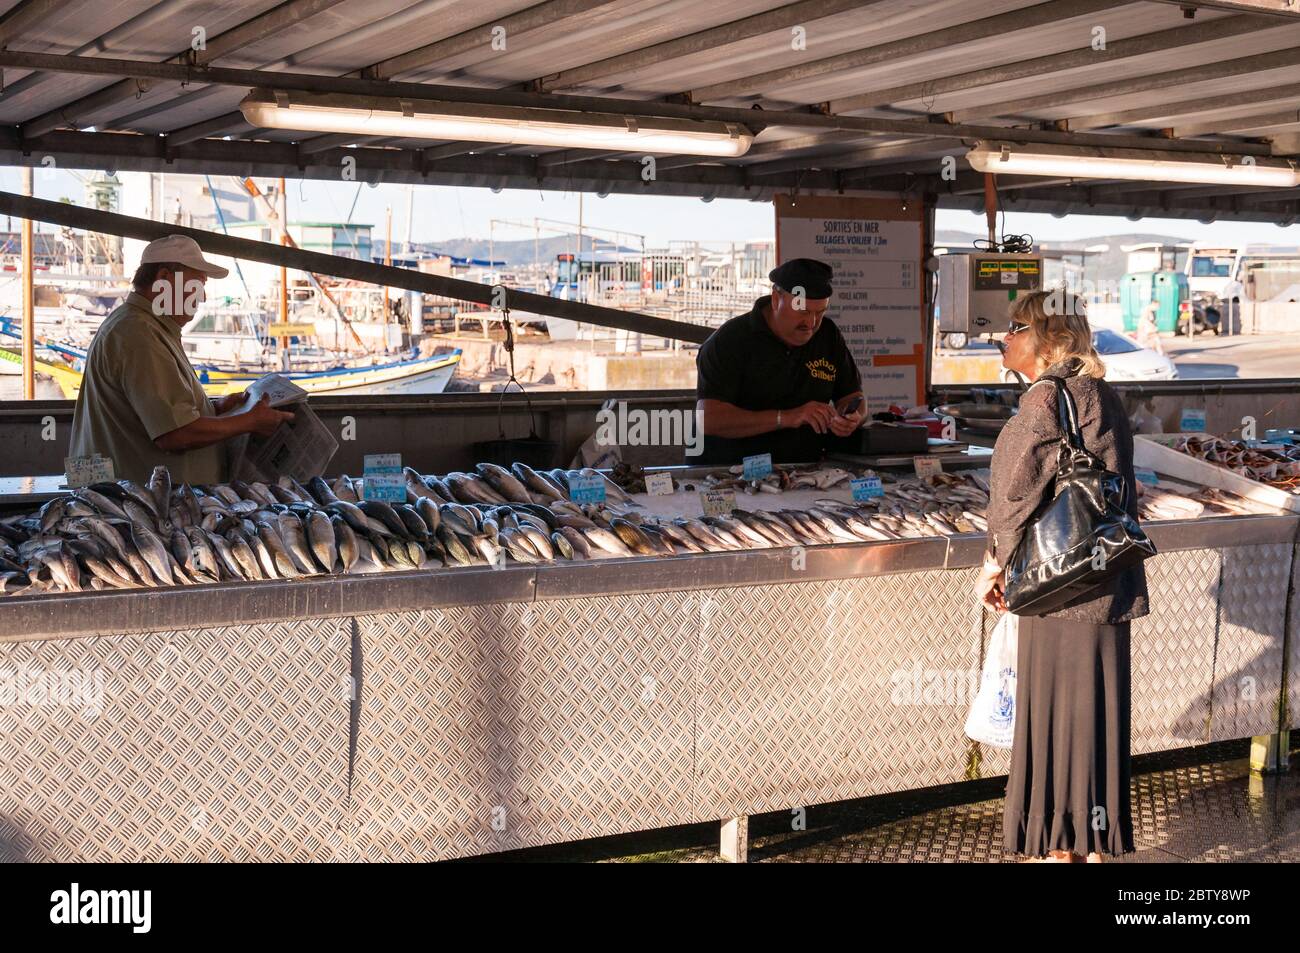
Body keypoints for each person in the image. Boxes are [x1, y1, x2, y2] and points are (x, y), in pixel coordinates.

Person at [973, 289, 1148, 864]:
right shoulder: (1101, 394)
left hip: (1058, 589)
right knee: (1097, 714)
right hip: (1105, 581)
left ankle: (1057, 851)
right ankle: (1093, 845)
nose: (1005, 337)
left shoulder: (1047, 399)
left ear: (1049, 341)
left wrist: (994, 565)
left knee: (1054, 719)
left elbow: (1013, 497)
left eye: (1016, 328)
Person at [69, 234, 294, 484]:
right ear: (164, 279)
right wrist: (249, 421)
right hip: (137, 508)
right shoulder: (138, 332)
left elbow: (155, 411)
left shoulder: (145, 326)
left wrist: (215, 408)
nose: (203, 297)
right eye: (197, 285)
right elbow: (174, 434)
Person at [695, 258, 866, 464]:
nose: (811, 323)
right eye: (803, 312)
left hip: (803, 471)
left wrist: (853, 417)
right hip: (730, 471)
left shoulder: (828, 335)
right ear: (776, 299)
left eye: (819, 312)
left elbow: (854, 396)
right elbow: (708, 419)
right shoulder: (730, 339)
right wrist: (787, 417)